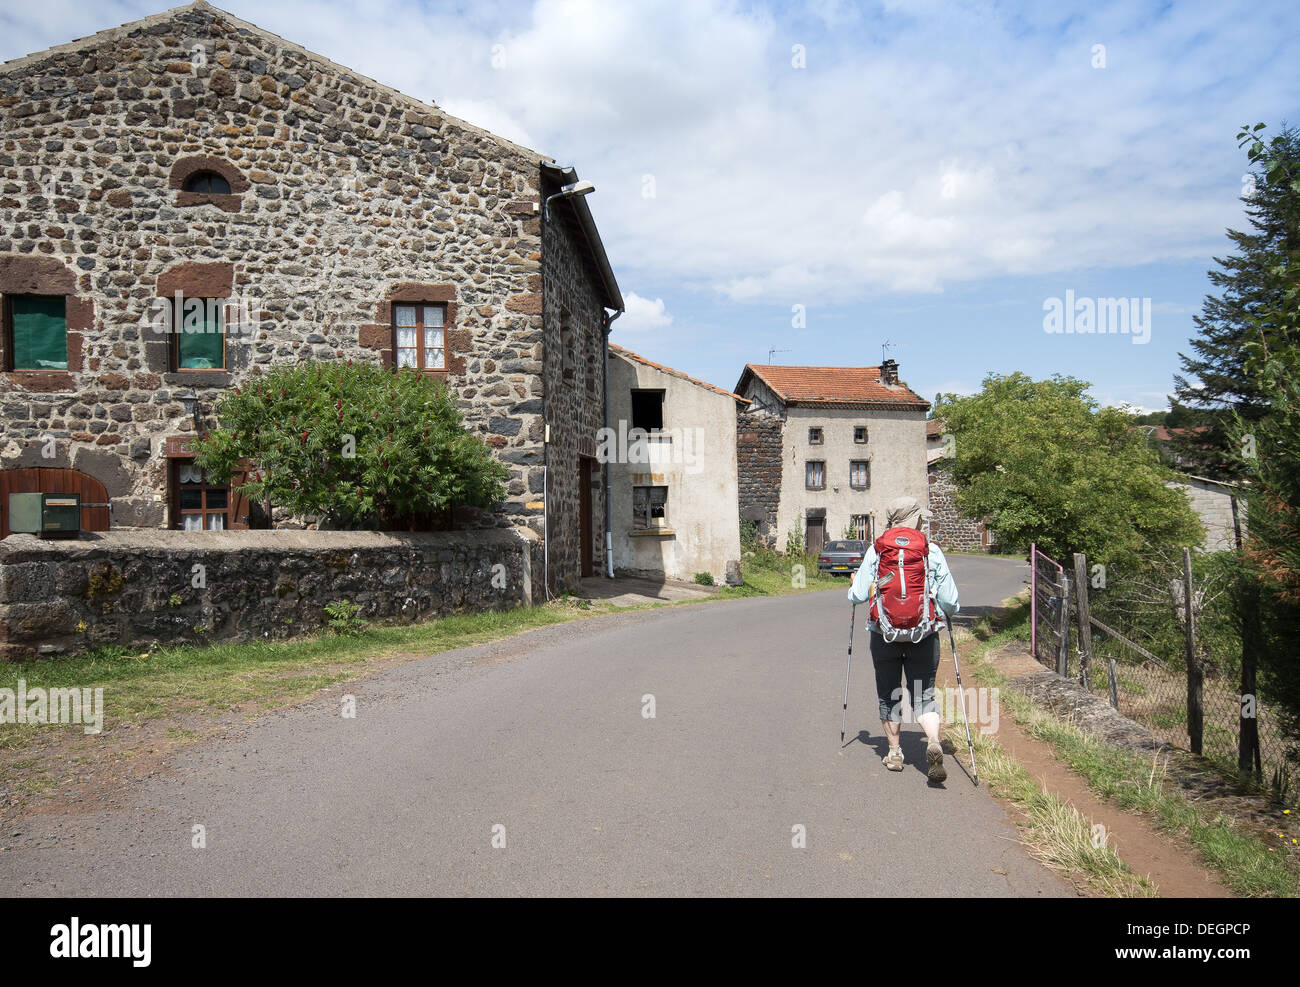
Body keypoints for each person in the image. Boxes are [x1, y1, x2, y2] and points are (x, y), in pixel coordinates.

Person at [847, 496, 959, 782]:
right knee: (924, 695)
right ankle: (933, 741)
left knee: (888, 693)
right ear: (917, 520)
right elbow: (951, 601)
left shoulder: (877, 550)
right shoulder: (930, 551)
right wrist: (945, 610)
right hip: (924, 634)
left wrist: (859, 585)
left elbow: (857, 595)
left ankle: (895, 752)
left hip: (884, 635)